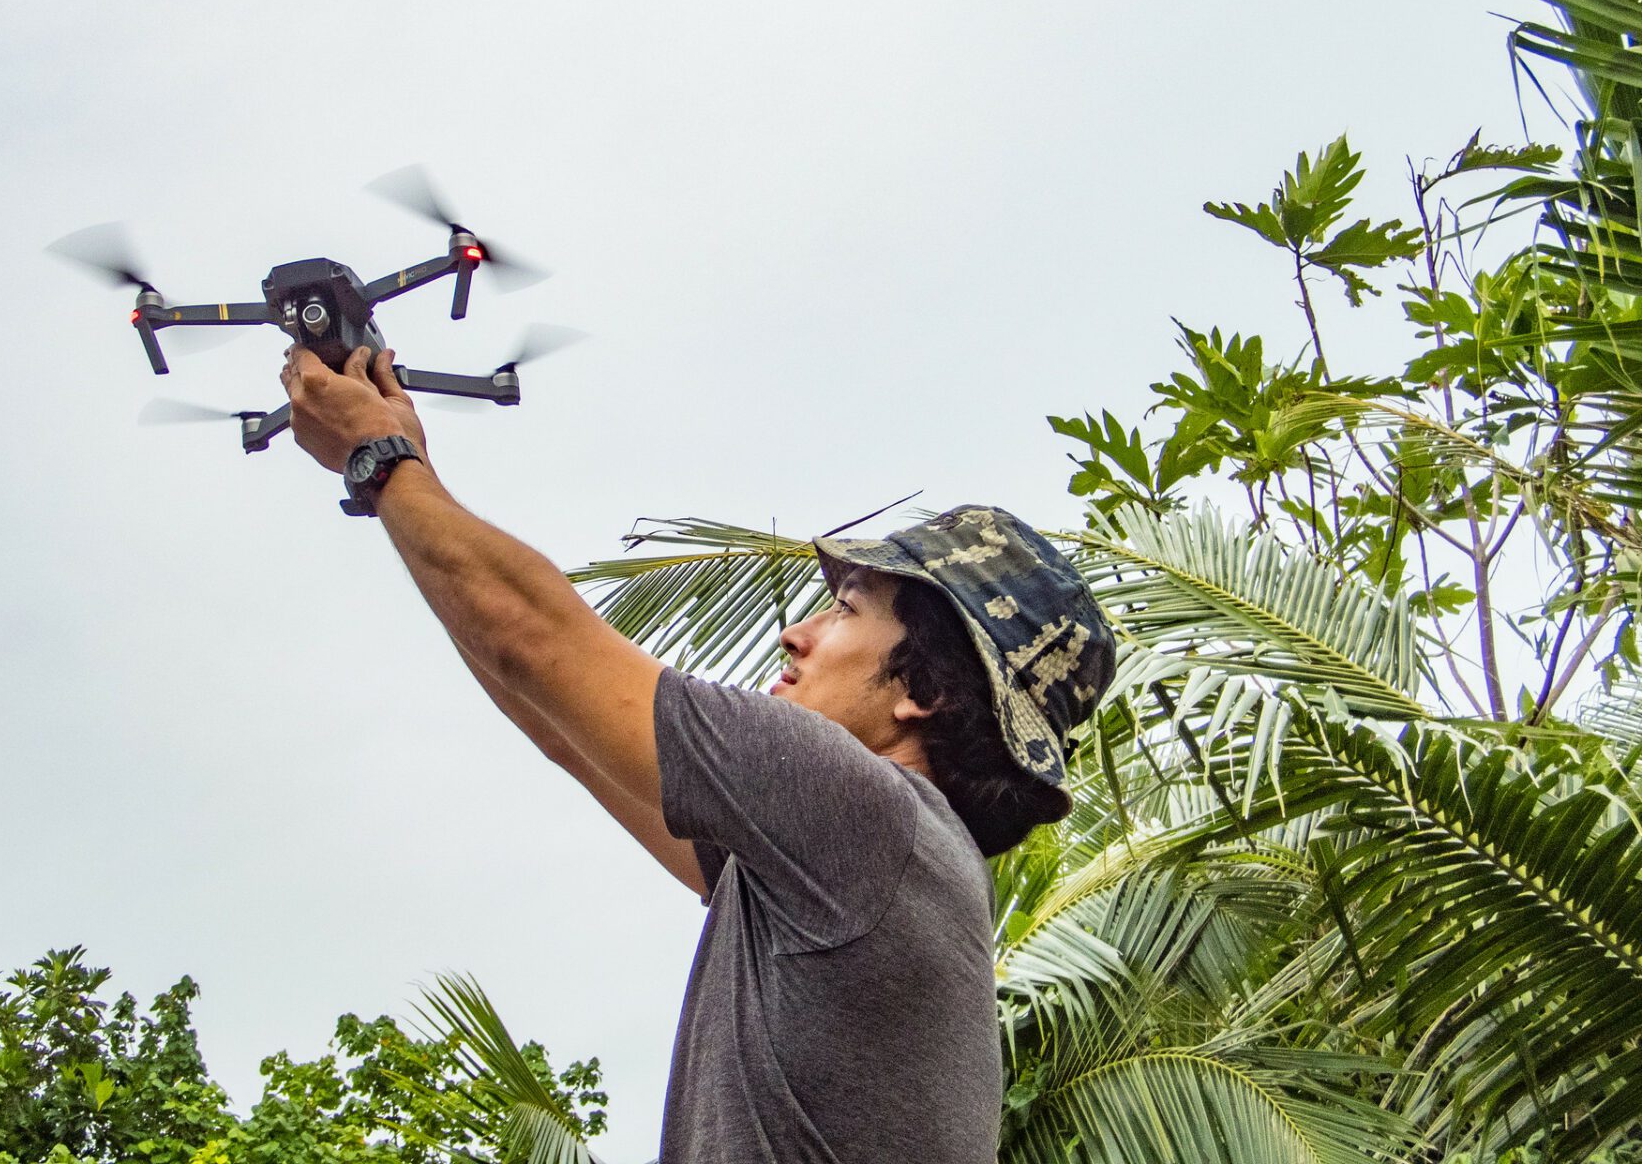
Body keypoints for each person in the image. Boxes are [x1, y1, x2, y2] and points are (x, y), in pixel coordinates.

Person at [281, 342, 1115, 1164]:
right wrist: (399, 465)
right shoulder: (854, 874)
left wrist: (380, 458)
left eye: (848, 610)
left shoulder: (863, 816)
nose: (796, 632)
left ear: (924, 693)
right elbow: (562, 728)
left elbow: (531, 638)